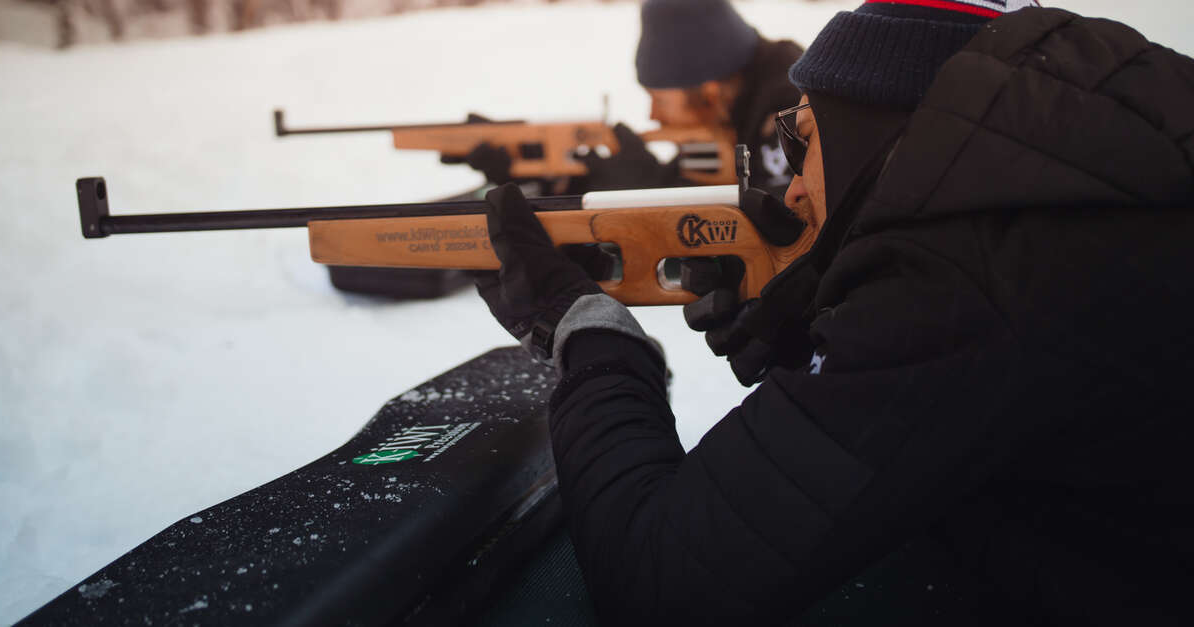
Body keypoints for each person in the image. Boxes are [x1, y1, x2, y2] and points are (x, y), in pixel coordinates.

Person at [473, 1, 1194, 625]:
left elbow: (658, 581)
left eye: (803, 136)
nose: (787, 190)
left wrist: (592, 337)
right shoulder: (1070, 194)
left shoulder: (958, 284)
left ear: (866, 130)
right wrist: (814, 339)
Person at [456, 0, 804, 195]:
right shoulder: (717, 120)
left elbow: (780, 224)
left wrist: (650, 184)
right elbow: (685, 184)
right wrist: (555, 174)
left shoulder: (794, 109)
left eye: (660, 99)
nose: (652, 115)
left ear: (708, 90)